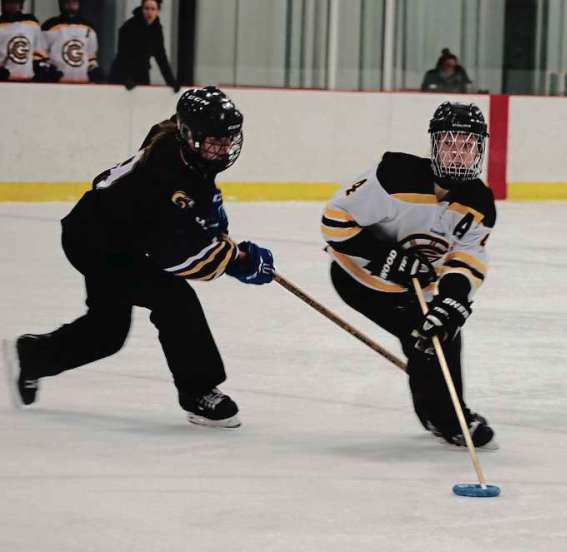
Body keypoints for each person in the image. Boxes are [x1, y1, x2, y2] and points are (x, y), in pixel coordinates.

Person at [3, 87, 276, 428]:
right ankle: (198, 391)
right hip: (98, 244)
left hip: (107, 231)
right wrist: (238, 263)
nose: (223, 149)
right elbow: (177, 257)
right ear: (190, 135)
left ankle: (32, 357)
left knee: (107, 333)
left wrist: (212, 229)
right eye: (214, 142)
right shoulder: (170, 180)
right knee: (175, 299)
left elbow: (191, 209)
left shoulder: (175, 140)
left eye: (228, 140)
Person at [320, 102, 497, 448]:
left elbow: (467, 257)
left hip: (415, 286)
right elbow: (334, 220)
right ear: (434, 145)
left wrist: (453, 298)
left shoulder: (480, 201)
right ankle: (449, 419)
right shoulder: (394, 175)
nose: (458, 153)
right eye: (449, 143)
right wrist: (387, 259)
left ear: (480, 148)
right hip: (358, 279)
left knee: (440, 330)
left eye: (467, 145)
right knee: (426, 339)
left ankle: (438, 415)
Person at [109, 0, 178, 92]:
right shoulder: (129, 27)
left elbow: (161, 57)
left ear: (157, 11)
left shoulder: (157, 30)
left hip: (142, 72)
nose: (149, 12)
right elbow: (124, 55)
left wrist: (171, 81)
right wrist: (125, 78)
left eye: (153, 9)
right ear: (142, 9)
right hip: (122, 73)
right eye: (146, 8)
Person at [0, 0, 61, 82]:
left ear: (21, 4)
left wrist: (41, 67)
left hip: (28, 81)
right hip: (4, 83)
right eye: (9, 2)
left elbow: (38, 51)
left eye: (15, 2)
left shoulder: (31, 23)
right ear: (3, 5)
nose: (12, 6)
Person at [42, 0, 102, 83]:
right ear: (61, 4)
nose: (71, 5)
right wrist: (48, 72)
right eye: (67, 2)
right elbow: (42, 57)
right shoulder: (49, 26)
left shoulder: (89, 27)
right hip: (57, 85)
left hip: (83, 84)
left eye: (74, 2)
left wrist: (94, 72)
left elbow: (91, 59)